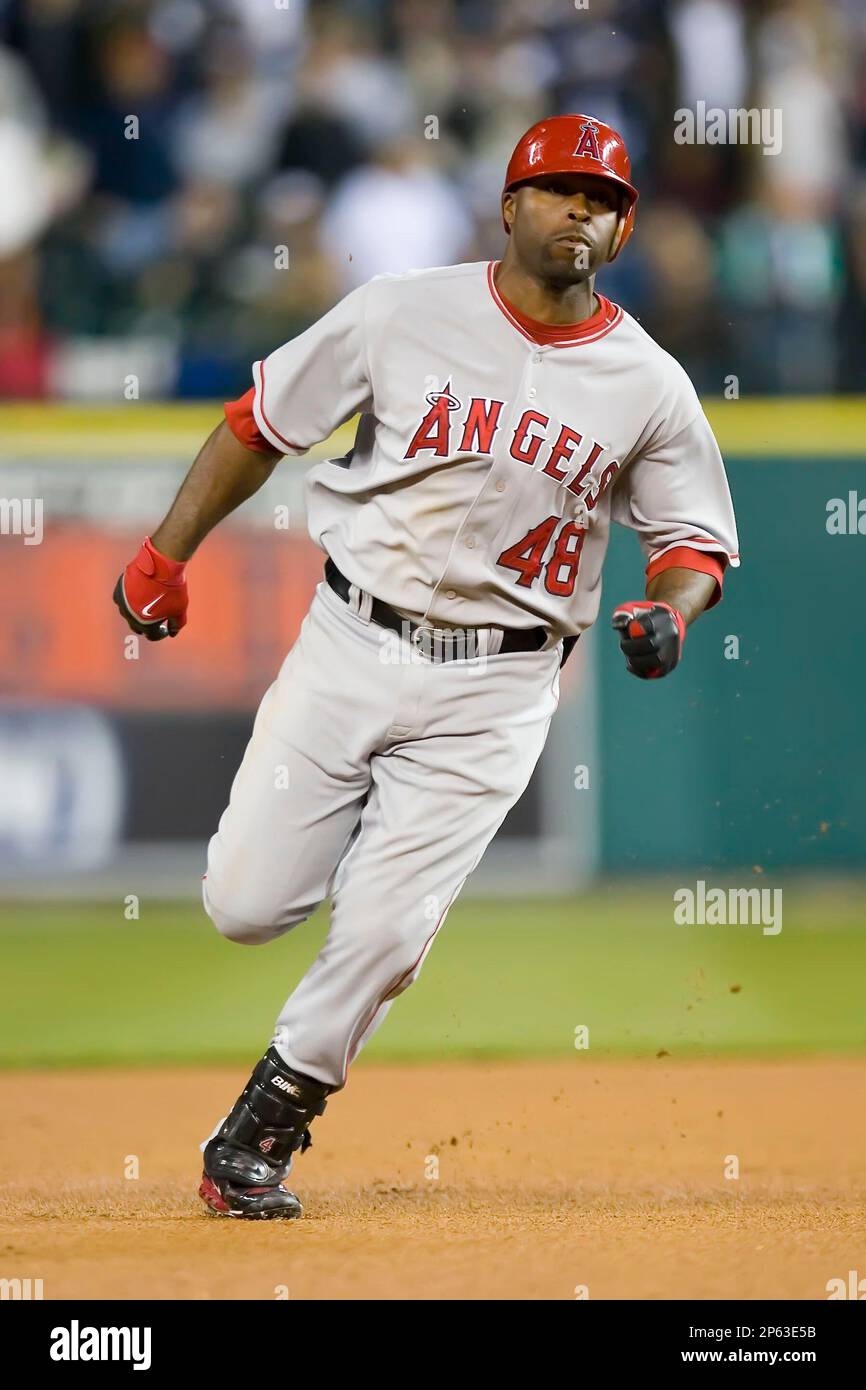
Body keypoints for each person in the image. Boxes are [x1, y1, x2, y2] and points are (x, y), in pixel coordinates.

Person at [114, 115, 739, 1220]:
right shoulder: (402, 309)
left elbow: (690, 545)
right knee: (245, 904)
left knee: (386, 930)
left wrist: (672, 611)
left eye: (599, 199)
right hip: (350, 638)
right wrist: (166, 552)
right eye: (555, 191)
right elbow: (258, 424)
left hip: (498, 683)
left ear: (625, 225)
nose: (576, 212)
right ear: (507, 207)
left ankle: (269, 1119)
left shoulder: (647, 382)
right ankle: (302, 918)